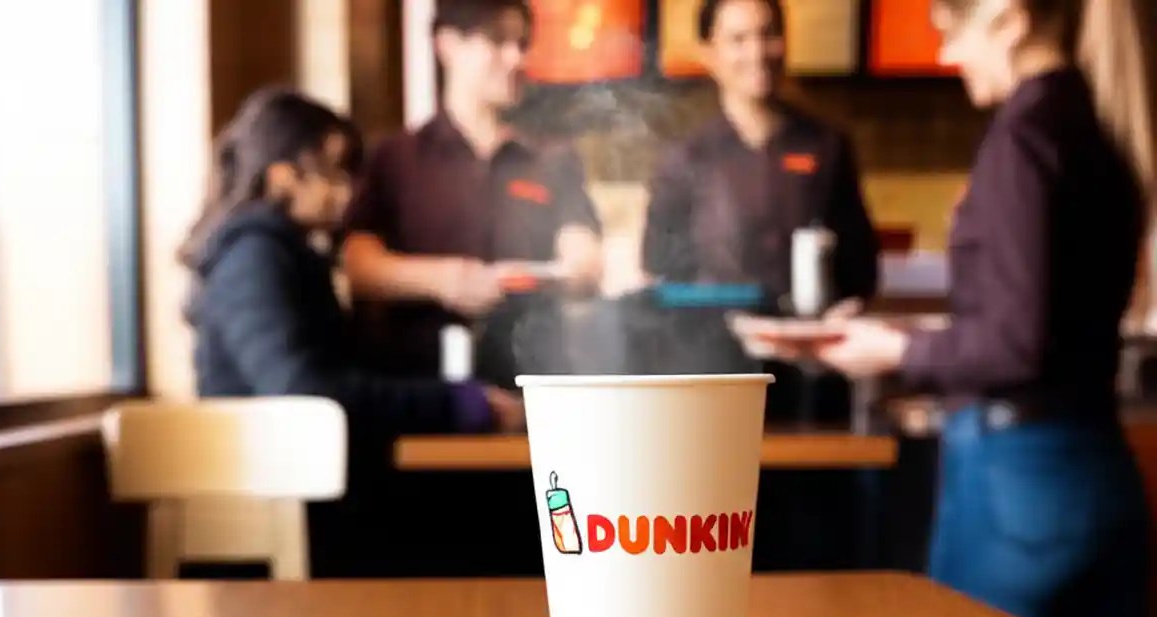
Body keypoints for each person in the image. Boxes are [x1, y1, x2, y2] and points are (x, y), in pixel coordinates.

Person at [816, 0, 1155, 617]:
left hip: (1017, 484)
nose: (948, 57)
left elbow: (1012, 342)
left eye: (952, 34)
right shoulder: (1105, 126)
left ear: (1011, 19)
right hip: (1098, 470)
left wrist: (893, 350)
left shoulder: (1022, 138)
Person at [180, 88, 524, 436]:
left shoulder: (285, 253)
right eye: (332, 175)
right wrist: (458, 404)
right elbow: (305, 393)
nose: (346, 193)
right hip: (272, 480)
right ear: (282, 177)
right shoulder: (252, 258)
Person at [341, 0, 604, 383]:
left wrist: (535, 276)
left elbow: (585, 259)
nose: (515, 58)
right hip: (421, 386)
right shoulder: (396, 157)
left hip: (531, 380)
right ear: (447, 45)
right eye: (497, 41)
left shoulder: (551, 160)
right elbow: (358, 263)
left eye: (521, 43)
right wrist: (446, 280)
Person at [642, 0, 878, 313]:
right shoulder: (685, 159)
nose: (757, 53)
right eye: (738, 40)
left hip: (806, 348)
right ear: (709, 54)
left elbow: (860, 271)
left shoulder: (826, 146)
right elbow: (658, 269)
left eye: (768, 35)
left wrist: (844, 313)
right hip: (719, 349)